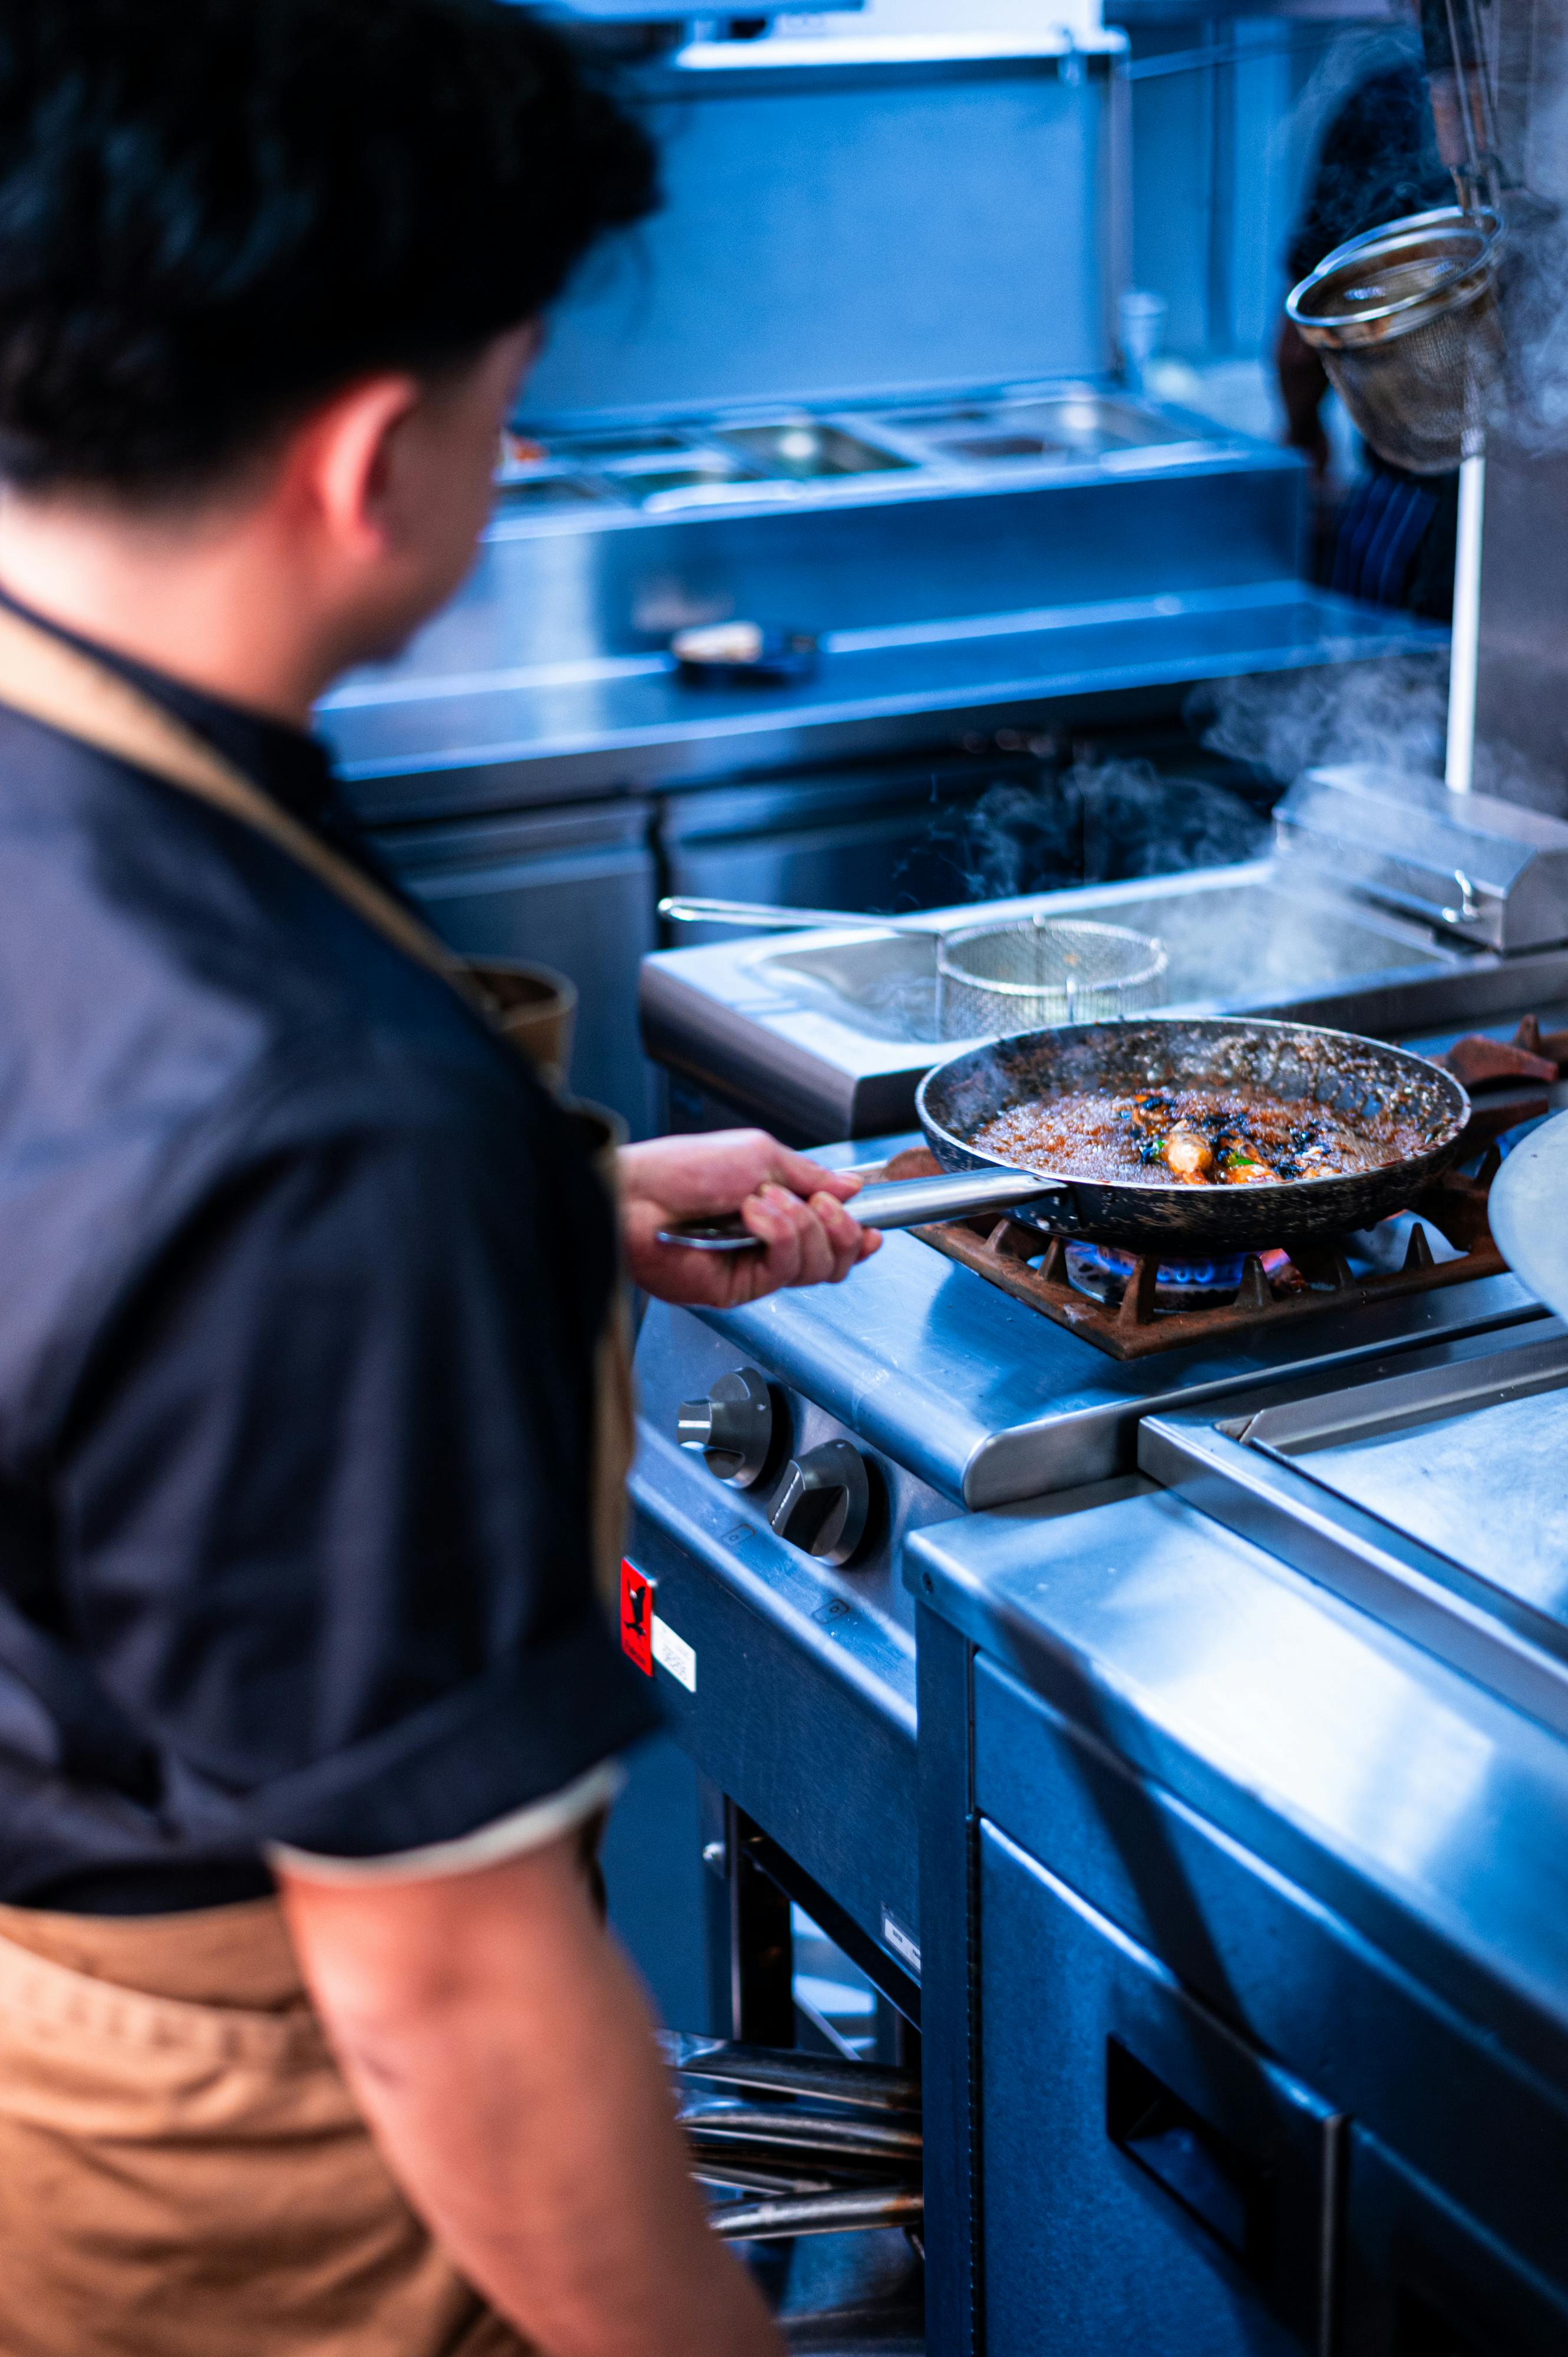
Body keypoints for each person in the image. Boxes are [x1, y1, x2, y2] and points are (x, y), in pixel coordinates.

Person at [0, 4, 879, 2352]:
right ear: (374, 457)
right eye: (511, 410)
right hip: (230, 2160)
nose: (516, 467)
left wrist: (541, 1224)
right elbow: (448, 1994)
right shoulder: (318, 1105)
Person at [1277, 35, 1459, 618]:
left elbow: (1300, 347)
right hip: (1536, 523)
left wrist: (1303, 436)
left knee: (1382, 657)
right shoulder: (1544, 117)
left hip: (1411, 505)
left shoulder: (1389, 100)